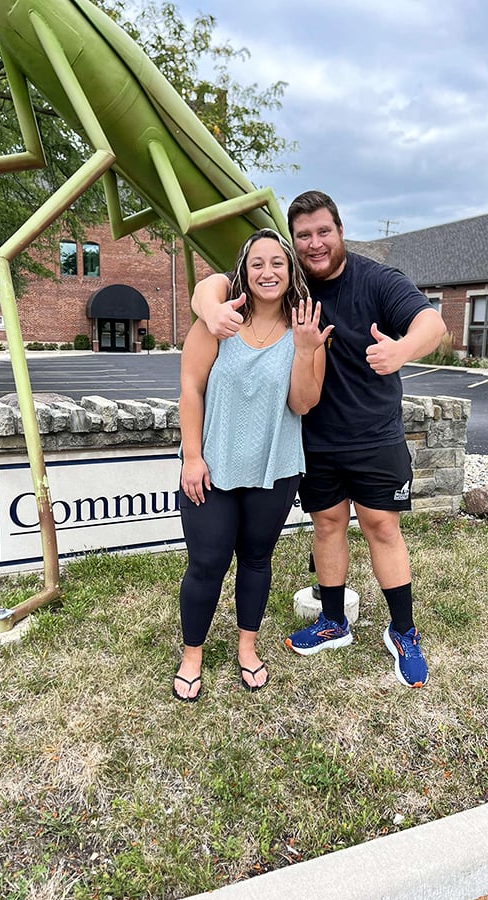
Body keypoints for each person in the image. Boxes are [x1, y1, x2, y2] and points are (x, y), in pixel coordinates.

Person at [191, 191, 447, 689]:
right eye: (303, 235)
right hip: (315, 438)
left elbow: (431, 321)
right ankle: (333, 621)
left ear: (340, 230)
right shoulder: (289, 279)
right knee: (328, 525)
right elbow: (219, 282)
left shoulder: (377, 280)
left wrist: (402, 351)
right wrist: (207, 307)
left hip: (374, 434)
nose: (314, 243)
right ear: (293, 241)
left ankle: (404, 632)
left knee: (381, 527)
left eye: (322, 231)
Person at [173, 227, 332, 702]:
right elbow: (190, 389)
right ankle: (192, 654)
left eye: (278, 263)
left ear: (291, 272)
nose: (268, 271)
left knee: (257, 560)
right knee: (206, 563)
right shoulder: (217, 322)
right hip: (213, 468)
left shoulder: (304, 331)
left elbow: (303, 404)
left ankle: (247, 647)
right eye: (258, 262)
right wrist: (192, 457)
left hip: (275, 469)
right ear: (243, 271)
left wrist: (306, 351)